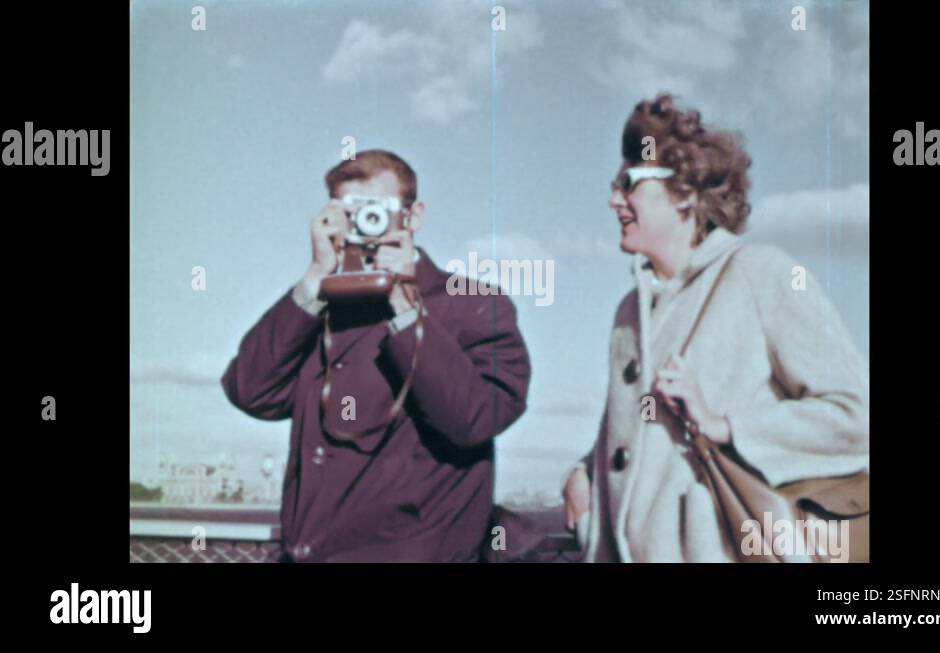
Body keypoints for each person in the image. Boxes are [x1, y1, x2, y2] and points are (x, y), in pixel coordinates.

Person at [562, 94, 869, 562]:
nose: (613, 199)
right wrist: (585, 474)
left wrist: (727, 426)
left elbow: (855, 416)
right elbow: (645, 448)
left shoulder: (760, 273)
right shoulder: (630, 312)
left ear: (685, 193)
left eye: (628, 182)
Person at [222, 150, 531, 562]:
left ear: (414, 216)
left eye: (378, 211)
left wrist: (406, 308)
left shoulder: (472, 305)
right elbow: (250, 390)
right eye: (350, 214)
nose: (366, 228)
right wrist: (314, 278)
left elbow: (476, 419)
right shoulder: (324, 310)